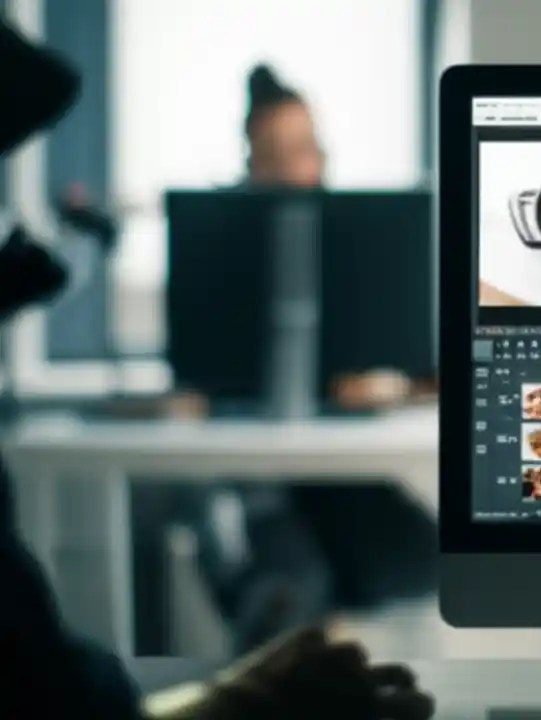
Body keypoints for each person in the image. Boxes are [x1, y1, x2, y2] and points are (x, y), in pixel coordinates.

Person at [0, 21, 433, 719]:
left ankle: (304, 645)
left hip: (337, 474)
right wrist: (186, 399)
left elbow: (428, 368)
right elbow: (193, 364)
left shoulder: (371, 238)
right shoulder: (213, 240)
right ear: (252, 158)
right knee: (254, 533)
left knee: (398, 545)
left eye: (311, 147)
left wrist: (388, 384)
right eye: (284, 150)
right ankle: (288, 642)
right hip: (248, 469)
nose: (303, 164)